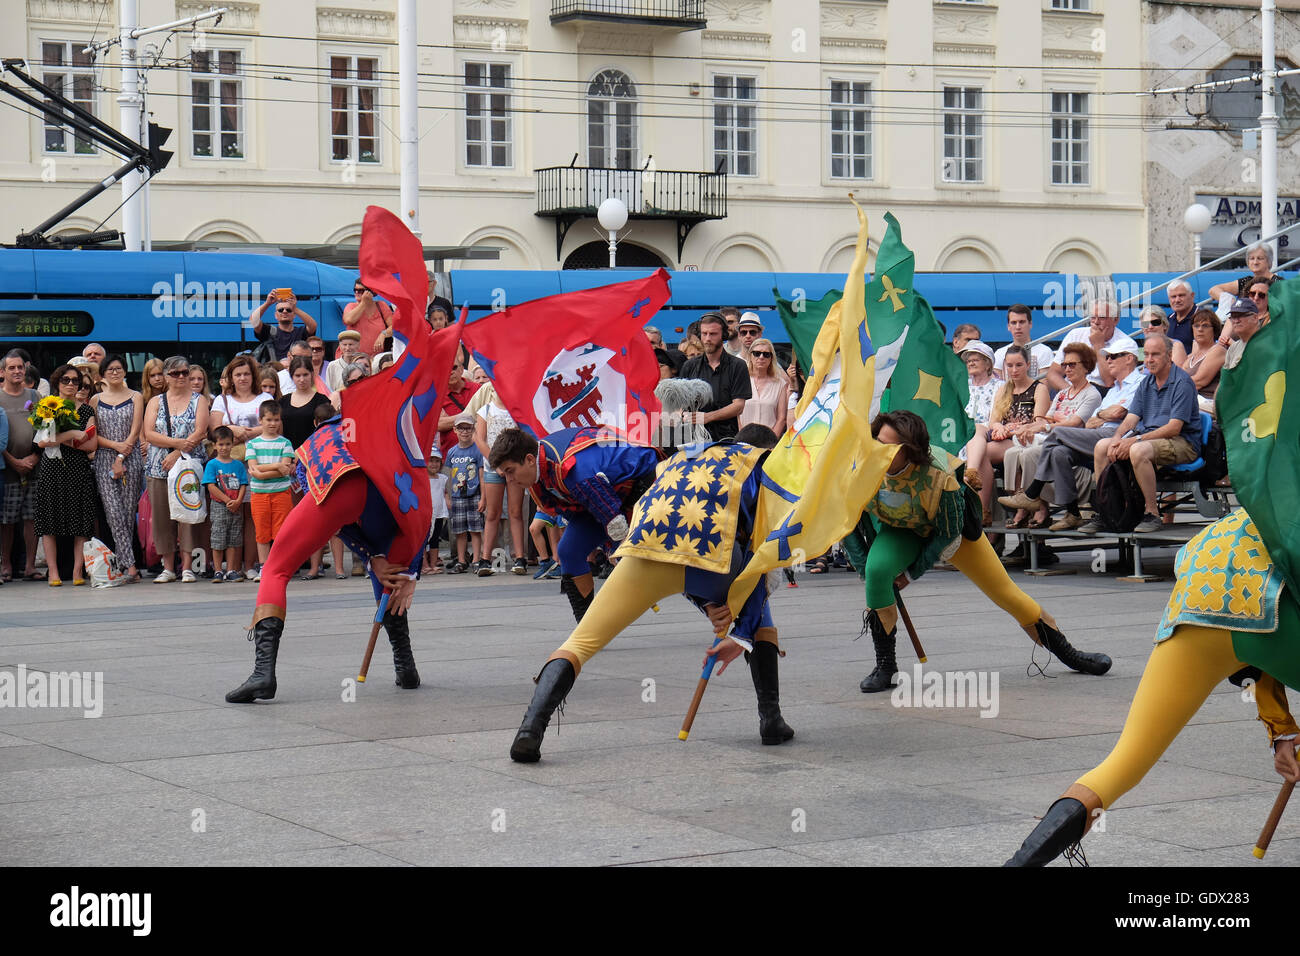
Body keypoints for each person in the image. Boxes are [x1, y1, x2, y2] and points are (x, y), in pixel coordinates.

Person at [505, 424, 794, 763]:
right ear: (767, 451)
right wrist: (739, 629)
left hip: (644, 552)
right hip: (712, 562)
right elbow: (762, 559)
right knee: (761, 621)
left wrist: (706, 601)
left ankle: (529, 731)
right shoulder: (760, 467)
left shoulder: (685, 458)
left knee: (579, 644)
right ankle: (770, 720)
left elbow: (672, 537)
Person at [849, 411, 1112, 695]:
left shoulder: (940, 474)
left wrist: (910, 574)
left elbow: (947, 534)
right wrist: (865, 566)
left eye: (889, 445)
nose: (878, 448)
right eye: (876, 440)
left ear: (910, 449)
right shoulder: (862, 466)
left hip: (952, 533)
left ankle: (1069, 654)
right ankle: (885, 665)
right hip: (902, 530)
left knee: (1007, 594)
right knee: (876, 571)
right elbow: (844, 519)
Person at [490, 426, 661, 623]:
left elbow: (613, 520)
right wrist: (611, 551)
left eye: (511, 471)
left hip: (647, 483)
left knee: (677, 557)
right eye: (505, 475)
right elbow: (573, 511)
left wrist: (620, 553)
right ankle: (587, 627)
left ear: (529, 459)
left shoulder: (572, 469)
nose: (509, 480)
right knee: (569, 551)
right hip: (604, 501)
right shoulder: (537, 476)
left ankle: (704, 601)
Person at [1000, 343, 1146, 532]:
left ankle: (1033, 491)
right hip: (1096, 434)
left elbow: (1116, 413)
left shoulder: (1138, 383)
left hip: (1118, 436)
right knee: (1059, 452)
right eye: (1064, 365)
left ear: (1129, 358)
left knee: (1056, 433)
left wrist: (1101, 416)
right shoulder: (1113, 390)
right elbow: (1092, 421)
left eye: (1113, 356)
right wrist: (1103, 416)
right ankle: (1072, 513)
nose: (1108, 360)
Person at [1079, 332, 1200, 535]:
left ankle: (1152, 513)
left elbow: (1174, 428)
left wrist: (1135, 439)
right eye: (1148, 354)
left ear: (1169, 355)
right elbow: (1131, 419)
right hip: (1150, 438)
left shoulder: (1182, 382)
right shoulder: (1146, 382)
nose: (1150, 360)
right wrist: (1117, 438)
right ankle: (1105, 512)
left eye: (1156, 354)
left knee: (1137, 450)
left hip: (1182, 442)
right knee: (1102, 447)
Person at [999, 344, 1101, 529]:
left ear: (1086, 366)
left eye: (1072, 365)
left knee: (1029, 454)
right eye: (1065, 365)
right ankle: (1024, 502)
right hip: (1052, 440)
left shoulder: (1091, 394)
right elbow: (1047, 418)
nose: (1067, 369)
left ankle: (1036, 502)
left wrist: (1044, 426)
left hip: (1074, 446)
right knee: (1012, 452)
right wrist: (1027, 427)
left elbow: (1075, 423)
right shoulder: (1062, 394)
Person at [963, 345, 1049, 523]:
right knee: (983, 450)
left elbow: (1039, 422)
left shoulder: (1039, 388)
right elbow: (994, 420)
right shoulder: (1004, 389)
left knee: (989, 450)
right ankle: (984, 510)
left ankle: (1021, 507)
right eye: (1009, 366)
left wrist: (1012, 428)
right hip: (1008, 438)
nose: (1014, 370)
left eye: (1018, 365)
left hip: (1028, 437)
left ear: (1027, 365)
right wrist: (999, 427)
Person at [143, 356, 209, 583]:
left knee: (188, 514)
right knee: (161, 518)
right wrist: (179, 444)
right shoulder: (155, 402)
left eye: (184, 373)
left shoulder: (199, 400)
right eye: (175, 373)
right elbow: (149, 433)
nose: (181, 377)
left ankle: (188, 566)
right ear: (166, 377)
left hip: (188, 466)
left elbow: (200, 431)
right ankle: (168, 566)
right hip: (159, 467)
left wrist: (178, 451)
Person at [34, 364, 98, 586]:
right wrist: (71, 434)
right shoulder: (48, 406)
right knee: (49, 521)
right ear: (57, 383)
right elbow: (43, 441)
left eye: (75, 380)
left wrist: (62, 439)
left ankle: (77, 570)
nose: (71, 384)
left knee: (81, 520)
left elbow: (92, 445)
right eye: (66, 380)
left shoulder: (88, 410)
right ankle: (53, 572)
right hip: (53, 468)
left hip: (78, 468)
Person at [90, 353, 144, 581]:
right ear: (103, 374)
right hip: (104, 459)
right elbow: (94, 434)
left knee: (127, 512)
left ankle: (124, 563)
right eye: (110, 369)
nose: (115, 372)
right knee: (114, 514)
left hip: (130, 459)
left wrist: (121, 455)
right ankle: (130, 566)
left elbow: (135, 430)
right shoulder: (95, 400)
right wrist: (114, 447)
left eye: (118, 368)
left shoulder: (136, 396)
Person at [471, 382, 527, 576]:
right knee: (492, 513)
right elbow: (480, 439)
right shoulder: (485, 410)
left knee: (515, 511)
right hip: (493, 468)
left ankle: (520, 557)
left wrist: (511, 466)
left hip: (514, 468)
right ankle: (485, 558)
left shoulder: (517, 411)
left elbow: (522, 438)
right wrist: (497, 465)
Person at [678, 312, 751, 441]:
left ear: (723, 335)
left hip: (725, 440)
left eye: (713, 334)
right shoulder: (689, 366)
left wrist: (707, 417)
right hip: (693, 440)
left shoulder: (738, 365)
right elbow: (679, 405)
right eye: (704, 334)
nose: (707, 339)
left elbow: (738, 406)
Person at [1, 350, 41, 581]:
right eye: (12, 368)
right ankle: (5, 565)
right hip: (8, 468)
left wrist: (34, 458)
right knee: (6, 520)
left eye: (20, 367)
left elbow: (45, 428)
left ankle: (30, 566)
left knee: (31, 518)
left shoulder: (35, 396)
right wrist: (13, 461)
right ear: (2, 372)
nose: (17, 371)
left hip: (33, 467)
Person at [244, 403, 296, 577]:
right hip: (259, 494)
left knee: (281, 533)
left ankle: (279, 567)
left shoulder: (285, 443)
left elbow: (286, 469)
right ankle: (264, 568)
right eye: (268, 420)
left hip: (281, 492)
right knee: (262, 532)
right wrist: (276, 466)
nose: (273, 423)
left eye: (276, 420)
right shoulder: (252, 444)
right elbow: (254, 470)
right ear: (260, 420)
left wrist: (262, 471)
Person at [1046, 300, 1136, 391]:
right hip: (1071, 390)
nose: (1096, 322)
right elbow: (1053, 374)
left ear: (1115, 320)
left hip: (1102, 392)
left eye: (1102, 317)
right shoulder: (1075, 335)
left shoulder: (1126, 343)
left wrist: (1098, 345)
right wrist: (1071, 393)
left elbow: (1110, 382)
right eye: (1093, 317)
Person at [204, 425, 249, 583]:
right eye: (221, 444)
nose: (224, 447)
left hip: (236, 506)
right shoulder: (212, 464)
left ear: (233, 444)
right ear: (215, 445)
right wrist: (227, 500)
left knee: (234, 539)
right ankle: (218, 570)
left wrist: (238, 501)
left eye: (228, 444)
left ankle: (230, 569)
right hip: (219, 506)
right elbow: (210, 485)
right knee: (218, 538)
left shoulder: (237, 465)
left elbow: (243, 484)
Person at [445, 414, 485, 574]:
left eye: (468, 428)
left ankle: (476, 559)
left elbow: (482, 475)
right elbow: (448, 476)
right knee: (459, 531)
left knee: (475, 529)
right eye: (461, 428)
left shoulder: (477, 450)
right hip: (457, 497)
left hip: (474, 495)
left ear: (473, 429)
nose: (464, 432)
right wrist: (447, 496)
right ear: (455, 430)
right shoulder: (452, 452)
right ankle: (462, 560)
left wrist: (483, 497)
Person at [279, 356, 333, 451]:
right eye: (297, 375)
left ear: (311, 374)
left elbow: (327, 432)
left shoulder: (322, 400)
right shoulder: (283, 401)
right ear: (292, 376)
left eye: (305, 375)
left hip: (313, 453)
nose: (302, 379)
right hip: (287, 456)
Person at [737, 337, 789, 436]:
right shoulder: (740, 380)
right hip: (742, 443)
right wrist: (741, 439)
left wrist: (770, 442)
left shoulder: (780, 384)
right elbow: (736, 415)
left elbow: (781, 418)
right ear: (750, 356)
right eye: (756, 353)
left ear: (771, 358)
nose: (761, 357)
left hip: (769, 444)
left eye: (766, 354)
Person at [250, 291, 317, 364]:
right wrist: (267, 303)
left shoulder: (300, 332)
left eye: (289, 310)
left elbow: (313, 325)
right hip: (275, 373)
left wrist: (295, 308)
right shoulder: (269, 331)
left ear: (294, 314)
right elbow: (253, 320)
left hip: (296, 372)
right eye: (281, 310)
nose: (284, 311)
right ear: (276, 315)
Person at [435, 355, 480, 460]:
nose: (450, 372)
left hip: (478, 455)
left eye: (454, 367)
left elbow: (485, 416)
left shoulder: (478, 389)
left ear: (461, 369)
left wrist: (450, 420)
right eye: (446, 369)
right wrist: (471, 414)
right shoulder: (437, 396)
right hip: (451, 458)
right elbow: (439, 424)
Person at [993, 306, 1054, 381]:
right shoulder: (999, 353)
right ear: (1008, 326)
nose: (1018, 327)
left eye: (1022, 322)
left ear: (1030, 324)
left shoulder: (1044, 351)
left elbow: (1045, 385)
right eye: (1014, 323)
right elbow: (996, 386)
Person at [1185, 309, 1225, 417]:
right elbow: (1177, 379)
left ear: (1214, 330)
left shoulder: (1218, 350)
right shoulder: (1190, 357)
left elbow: (1199, 381)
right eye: (1196, 326)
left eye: (1205, 325)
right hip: (1191, 401)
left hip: (1208, 403)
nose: (1200, 329)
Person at [1207, 242, 1281, 301]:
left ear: (1269, 261)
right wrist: (1229, 301)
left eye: (1260, 258)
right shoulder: (1246, 282)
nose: (1255, 262)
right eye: (1252, 258)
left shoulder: (1278, 282)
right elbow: (1213, 290)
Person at [343, 280, 393, 359]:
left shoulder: (381, 305)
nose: (357, 292)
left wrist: (383, 334)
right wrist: (363, 303)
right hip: (354, 357)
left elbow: (394, 326)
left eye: (360, 291)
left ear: (371, 292)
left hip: (377, 357)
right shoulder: (351, 306)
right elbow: (349, 320)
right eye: (355, 290)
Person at [960, 341, 998, 431]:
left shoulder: (999, 385)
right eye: (968, 361)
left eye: (975, 360)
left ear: (988, 364)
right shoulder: (962, 386)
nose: (971, 364)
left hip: (987, 431)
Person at [422, 447, 448, 575]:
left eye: (437, 461)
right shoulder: (422, 478)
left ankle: (433, 564)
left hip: (438, 514)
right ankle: (424, 564)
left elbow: (445, 492)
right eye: (430, 460)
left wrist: (448, 501)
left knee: (435, 539)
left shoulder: (442, 478)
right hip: (426, 514)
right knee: (423, 540)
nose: (434, 464)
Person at [1164, 279, 1197, 352]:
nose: (1177, 300)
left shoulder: (1202, 319)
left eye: (1181, 295)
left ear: (1192, 296)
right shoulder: (1168, 320)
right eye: (1173, 297)